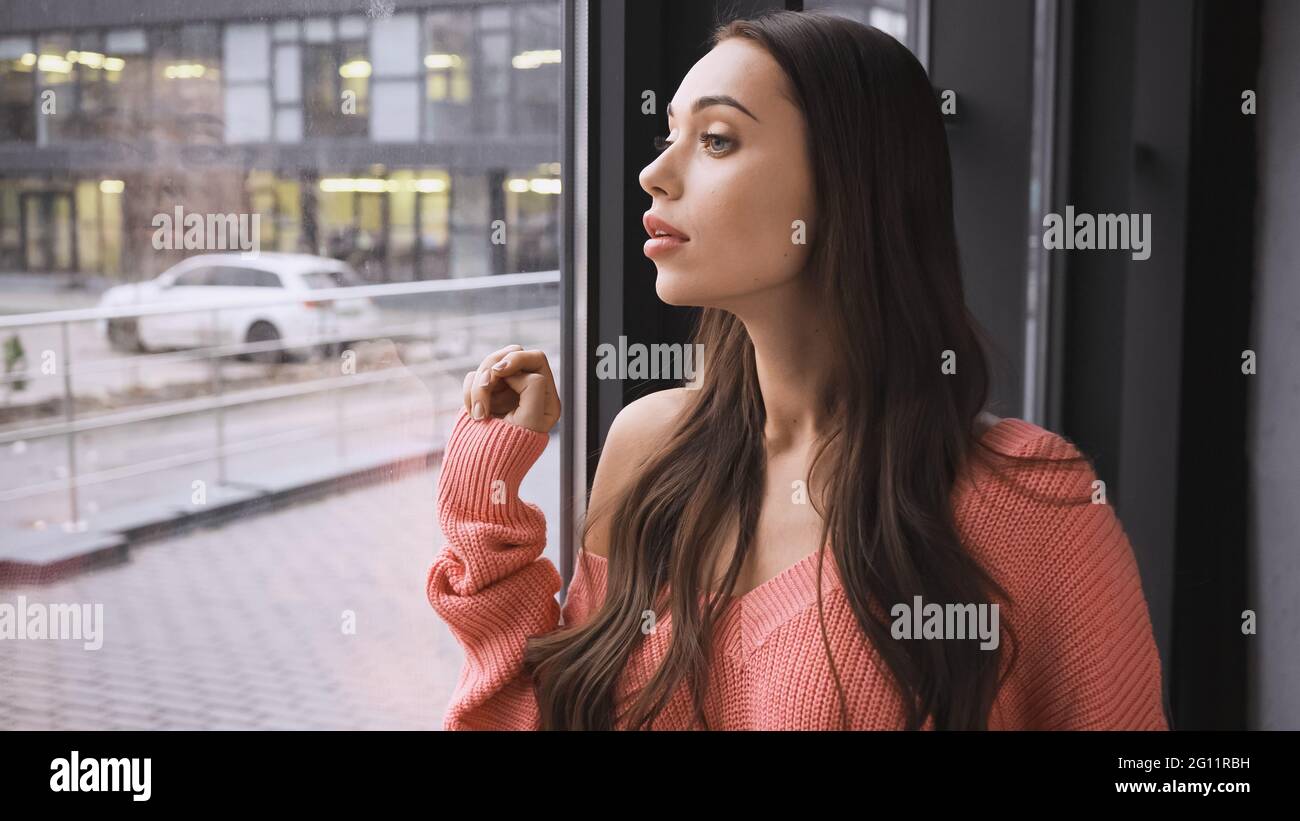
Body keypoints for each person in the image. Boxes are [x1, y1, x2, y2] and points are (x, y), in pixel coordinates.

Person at [426, 9, 1169, 731]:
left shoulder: (1030, 501)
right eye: (669, 136)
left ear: (848, 181)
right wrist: (486, 494)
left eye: (716, 140)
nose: (655, 173)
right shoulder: (648, 444)